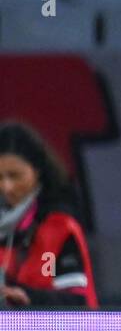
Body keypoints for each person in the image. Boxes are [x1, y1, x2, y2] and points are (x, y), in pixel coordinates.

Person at [0, 122, 98, 309]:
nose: (6, 187)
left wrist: (28, 298)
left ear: (37, 172)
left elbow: (78, 302)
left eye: (15, 176)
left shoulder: (59, 228)